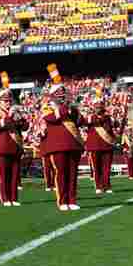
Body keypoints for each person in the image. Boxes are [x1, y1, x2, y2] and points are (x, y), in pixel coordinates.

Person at [42, 64, 85, 212]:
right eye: (59, 94)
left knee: (73, 174)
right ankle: (62, 201)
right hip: (57, 146)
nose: (62, 96)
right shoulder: (48, 106)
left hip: (73, 144)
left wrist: (74, 108)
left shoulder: (71, 108)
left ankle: (72, 200)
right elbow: (50, 118)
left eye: (64, 94)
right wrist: (65, 108)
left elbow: (81, 122)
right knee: (61, 174)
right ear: (54, 95)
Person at [0, 72, 28, 206]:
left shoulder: (16, 111)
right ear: (0, 101)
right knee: (3, 176)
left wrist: (19, 118)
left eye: (9, 100)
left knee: (14, 175)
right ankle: (5, 199)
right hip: (2, 148)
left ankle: (14, 198)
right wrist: (9, 117)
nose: (7, 103)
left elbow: (25, 126)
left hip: (16, 147)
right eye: (5, 101)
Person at [84, 89, 120, 195]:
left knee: (107, 168)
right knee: (96, 169)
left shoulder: (109, 118)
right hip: (94, 147)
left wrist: (115, 117)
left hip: (107, 146)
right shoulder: (90, 117)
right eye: (96, 106)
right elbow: (84, 123)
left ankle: (107, 186)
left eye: (100, 106)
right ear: (93, 107)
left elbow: (116, 126)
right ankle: (99, 186)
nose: (98, 107)